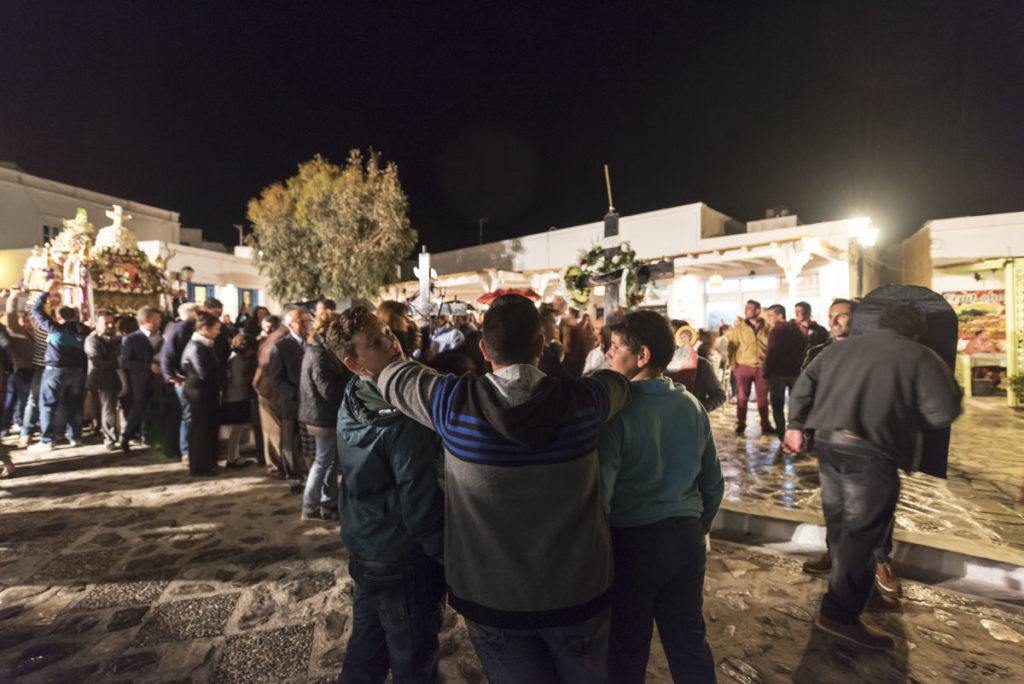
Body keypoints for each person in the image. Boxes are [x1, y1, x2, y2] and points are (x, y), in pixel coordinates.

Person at [376, 294, 631, 682]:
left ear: (483, 349)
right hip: (577, 593)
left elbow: (394, 378)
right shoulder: (584, 403)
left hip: (492, 599)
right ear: (541, 345)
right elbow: (618, 382)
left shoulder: (452, 404)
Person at [783, 301, 962, 651]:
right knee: (862, 534)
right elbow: (942, 411)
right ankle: (839, 613)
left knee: (841, 527)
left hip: (830, 445)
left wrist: (795, 425)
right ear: (916, 330)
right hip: (871, 451)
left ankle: (853, 592)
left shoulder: (841, 348)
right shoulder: (919, 355)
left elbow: (804, 384)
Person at [600, 311, 723, 683]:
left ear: (642, 356)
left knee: (627, 645)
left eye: (616, 346)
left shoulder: (618, 411)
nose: (608, 353)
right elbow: (713, 484)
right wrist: (695, 527)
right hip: (686, 539)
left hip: (633, 544)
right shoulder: (690, 405)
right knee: (688, 640)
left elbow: (601, 494)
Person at [324, 307, 446, 683]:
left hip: (367, 544)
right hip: (402, 556)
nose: (392, 344)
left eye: (388, 333)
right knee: (414, 660)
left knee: (368, 647)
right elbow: (422, 502)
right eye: (375, 343)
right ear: (353, 363)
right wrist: (447, 557)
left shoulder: (354, 394)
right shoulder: (405, 416)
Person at [299, 311, 350, 520]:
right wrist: (348, 372)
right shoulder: (318, 353)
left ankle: (328, 501)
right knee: (322, 462)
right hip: (321, 416)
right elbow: (328, 390)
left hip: (323, 415)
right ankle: (309, 507)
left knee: (329, 462)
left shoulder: (321, 350)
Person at [29, 281, 89, 451]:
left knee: (48, 405)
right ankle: (75, 437)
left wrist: (46, 292)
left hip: (55, 371)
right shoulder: (86, 331)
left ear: (59, 317)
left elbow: (36, 311)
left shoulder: (56, 329)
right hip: (78, 371)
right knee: (74, 404)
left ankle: (47, 440)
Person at [269, 305, 310, 480]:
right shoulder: (281, 347)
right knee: (291, 442)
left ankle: (310, 474)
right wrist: (296, 395)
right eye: (302, 321)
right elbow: (276, 380)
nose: (307, 324)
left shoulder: (314, 343)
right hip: (293, 402)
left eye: (307, 320)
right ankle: (294, 478)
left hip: (313, 404)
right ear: (290, 325)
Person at [180, 313, 225, 476]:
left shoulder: (205, 344)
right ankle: (201, 465)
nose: (218, 332)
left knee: (208, 427)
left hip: (206, 390)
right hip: (199, 391)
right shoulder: (196, 346)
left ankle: (209, 462)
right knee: (201, 428)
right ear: (204, 329)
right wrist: (222, 376)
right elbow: (204, 372)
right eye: (216, 329)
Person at [120, 306, 163, 451]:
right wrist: (148, 366)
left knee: (155, 409)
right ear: (147, 320)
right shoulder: (132, 339)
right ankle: (127, 437)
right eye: (157, 318)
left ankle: (151, 438)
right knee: (138, 410)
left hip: (158, 380)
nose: (160, 321)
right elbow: (126, 362)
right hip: (140, 381)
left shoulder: (161, 337)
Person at [161, 303, 201, 459]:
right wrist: (171, 376)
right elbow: (167, 354)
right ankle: (187, 450)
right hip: (183, 378)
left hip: (185, 376)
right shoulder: (181, 329)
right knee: (188, 415)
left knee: (189, 415)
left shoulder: (181, 329)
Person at [763, 304, 806, 438]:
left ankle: (782, 435)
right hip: (794, 372)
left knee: (777, 406)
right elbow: (804, 349)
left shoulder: (776, 330)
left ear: (780, 315)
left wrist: (766, 371)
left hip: (777, 373)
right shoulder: (798, 329)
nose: (768, 319)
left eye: (770, 315)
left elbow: (771, 352)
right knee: (794, 405)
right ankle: (794, 432)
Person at [727, 300, 770, 436]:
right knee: (742, 397)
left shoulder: (767, 327)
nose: (746, 310)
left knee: (763, 398)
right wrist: (733, 366)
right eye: (746, 308)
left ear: (758, 311)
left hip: (762, 367)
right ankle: (741, 423)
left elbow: (772, 346)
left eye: (750, 308)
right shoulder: (739, 327)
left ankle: (765, 424)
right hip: (743, 366)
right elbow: (731, 347)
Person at [253, 317, 289, 474]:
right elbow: (266, 365)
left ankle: (278, 465)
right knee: (274, 429)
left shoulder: (276, 336)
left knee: (274, 428)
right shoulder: (282, 337)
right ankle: (277, 466)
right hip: (271, 389)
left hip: (268, 387)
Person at [85, 309, 124, 451]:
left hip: (117, 378)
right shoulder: (92, 340)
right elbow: (98, 362)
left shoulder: (115, 339)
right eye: (106, 323)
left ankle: (121, 436)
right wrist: (118, 362)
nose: (110, 326)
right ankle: (109, 439)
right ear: (96, 324)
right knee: (108, 410)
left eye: (111, 322)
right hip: (102, 380)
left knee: (116, 410)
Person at [1, 290, 36, 438]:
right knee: (23, 399)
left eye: (32, 320)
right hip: (22, 369)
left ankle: (17, 424)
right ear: (22, 321)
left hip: (34, 369)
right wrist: (13, 297)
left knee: (21, 399)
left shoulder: (36, 334)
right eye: (27, 320)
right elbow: (11, 314)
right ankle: (20, 425)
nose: (30, 323)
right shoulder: (17, 331)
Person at [222, 332, 257, 467]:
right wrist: (251, 378)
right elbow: (239, 381)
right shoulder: (237, 360)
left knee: (237, 429)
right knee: (236, 429)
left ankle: (235, 456)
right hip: (236, 397)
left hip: (235, 396)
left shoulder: (235, 358)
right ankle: (232, 458)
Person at [536, 302, 567, 378]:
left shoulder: (551, 350)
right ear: (543, 325)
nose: (556, 327)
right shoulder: (544, 354)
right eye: (553, 322)